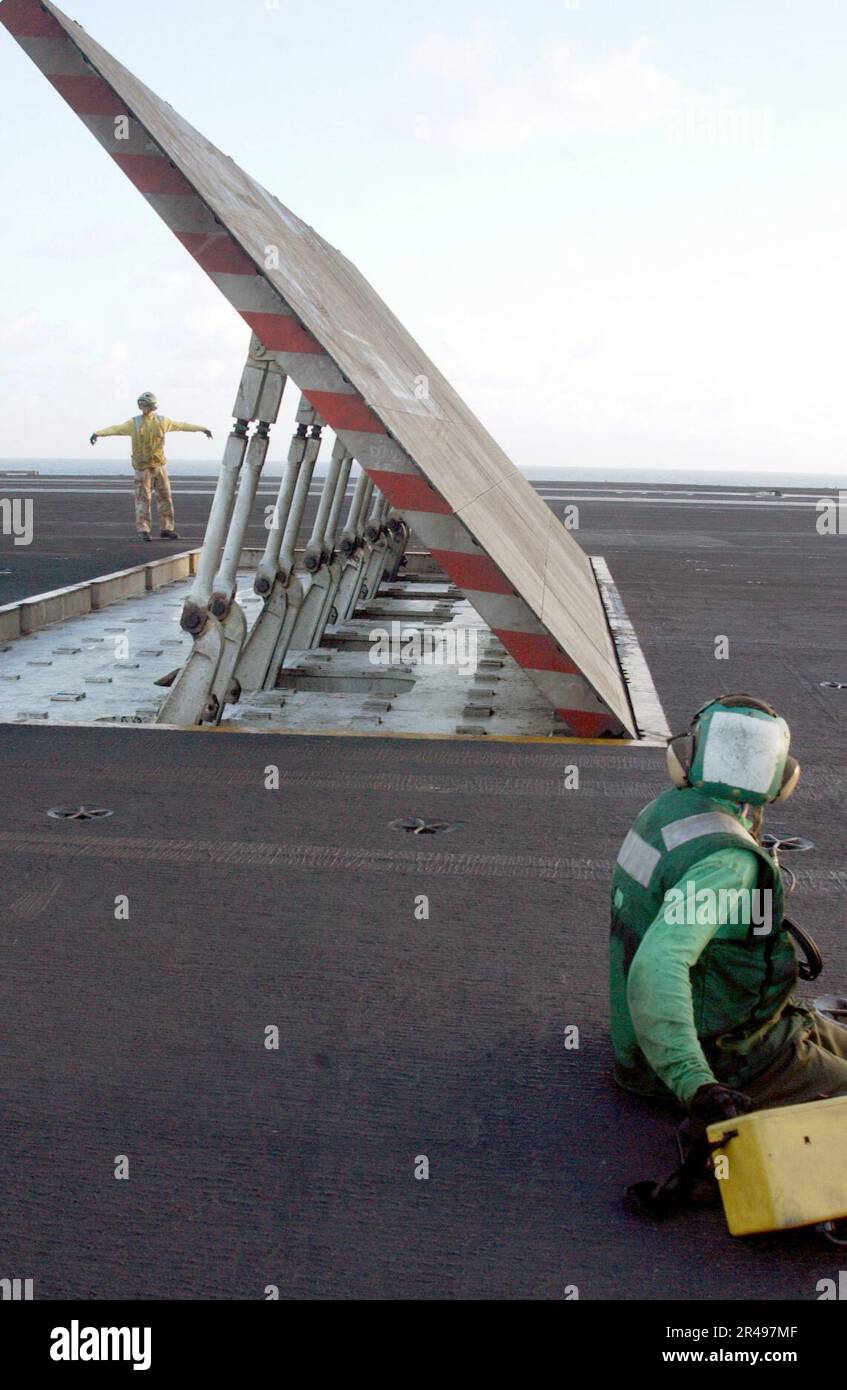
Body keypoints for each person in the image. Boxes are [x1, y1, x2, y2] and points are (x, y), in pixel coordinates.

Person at [609, 693, 847, 1130]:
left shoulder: (666, 813)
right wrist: (695, 1082)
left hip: (659, 1035)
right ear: (784, 778)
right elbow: (658, 964)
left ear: (686, 757)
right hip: (721, 1052)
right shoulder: (727, 862)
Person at [91, 392, 212, 541]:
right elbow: (116, 429)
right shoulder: (134, 423)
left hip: (159, 466)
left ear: (151, 405)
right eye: (141, 404)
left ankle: (167, 528)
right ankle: (143, 529)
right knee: (143, 499)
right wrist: (98, 433)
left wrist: (202, 429)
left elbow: (181, 425)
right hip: (142, 468)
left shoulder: (162, 421)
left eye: (144, 404)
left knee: (165, 497)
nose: (142, 407)